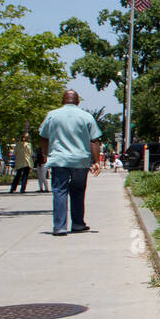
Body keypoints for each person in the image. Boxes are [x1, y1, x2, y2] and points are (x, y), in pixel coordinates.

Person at [38, 90, 103, 236]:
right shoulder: (86, 117)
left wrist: (46, 154)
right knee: (78, 191)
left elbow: (43, 137)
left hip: (59, 160)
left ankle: (60, 226)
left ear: (63, 101)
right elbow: (94, 140)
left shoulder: (52, 115)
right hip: (80, 161)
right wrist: (97, 161)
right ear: (78, 102)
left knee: (60, 191)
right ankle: (78, 224)